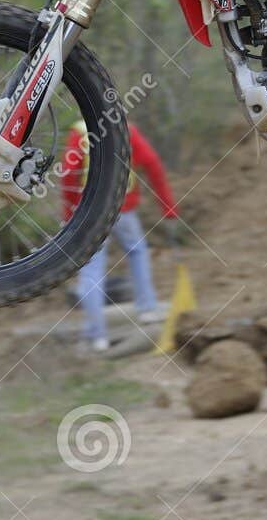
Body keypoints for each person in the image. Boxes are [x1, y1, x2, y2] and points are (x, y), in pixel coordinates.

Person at [58, 121, 181, 352]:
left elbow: (67, 175)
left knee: (92, 270)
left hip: (90, 213)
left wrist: (70, 215)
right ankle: (147, 309)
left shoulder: (79, 133)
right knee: (137, 252)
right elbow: (153, 164)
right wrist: (167, 206)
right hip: (122, 207)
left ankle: (97, 335)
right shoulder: (125, 129)